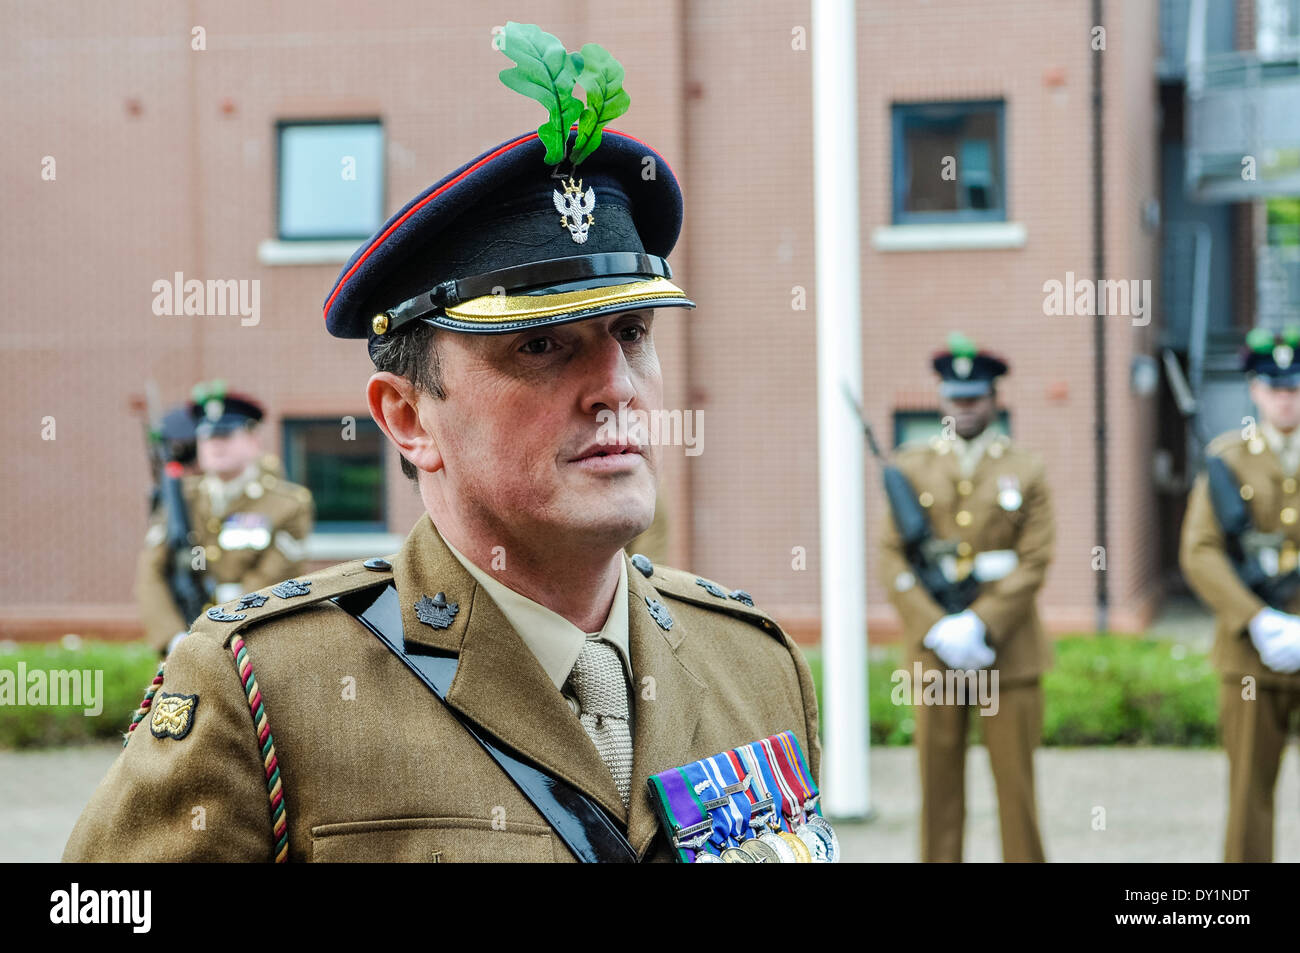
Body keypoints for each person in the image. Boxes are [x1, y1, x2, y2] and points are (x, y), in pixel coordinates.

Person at [65, 24, 820, 863]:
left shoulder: (756, 666)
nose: (618, 385)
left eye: (633, 332)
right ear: (408, 418)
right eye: (542, 345)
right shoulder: (267, 693)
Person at [878, 333, 1054, 862]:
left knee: (1016, 790)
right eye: (955, 398)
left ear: (995, 399)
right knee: (938, 791)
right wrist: (936, 626)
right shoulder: (910, 466)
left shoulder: (1026, 469)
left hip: (1009, 651)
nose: (965, 407)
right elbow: (891, 557)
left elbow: (1035, 559)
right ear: (942, 400)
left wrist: (979, 623)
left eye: (974, 397)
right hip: (935, 654)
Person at [1181, 326, 1300, 863]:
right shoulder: (1226, 459)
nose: (1285, 397)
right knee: (1248, 797)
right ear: (1255, 390)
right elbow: (1200, 551)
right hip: (1252, 654)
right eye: (1274, 387)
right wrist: (1258, 619)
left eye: (1295, 386)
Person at [133, 384, 314, 656]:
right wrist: (173, 639)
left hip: (254, 644)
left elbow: (277, 574)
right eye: (207, 436)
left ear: (254, 441)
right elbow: (151, 574)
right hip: (185, 646)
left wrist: (219, 623)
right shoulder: (180, 501)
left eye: (226, 435)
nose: (215, 444)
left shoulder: (287, 504)